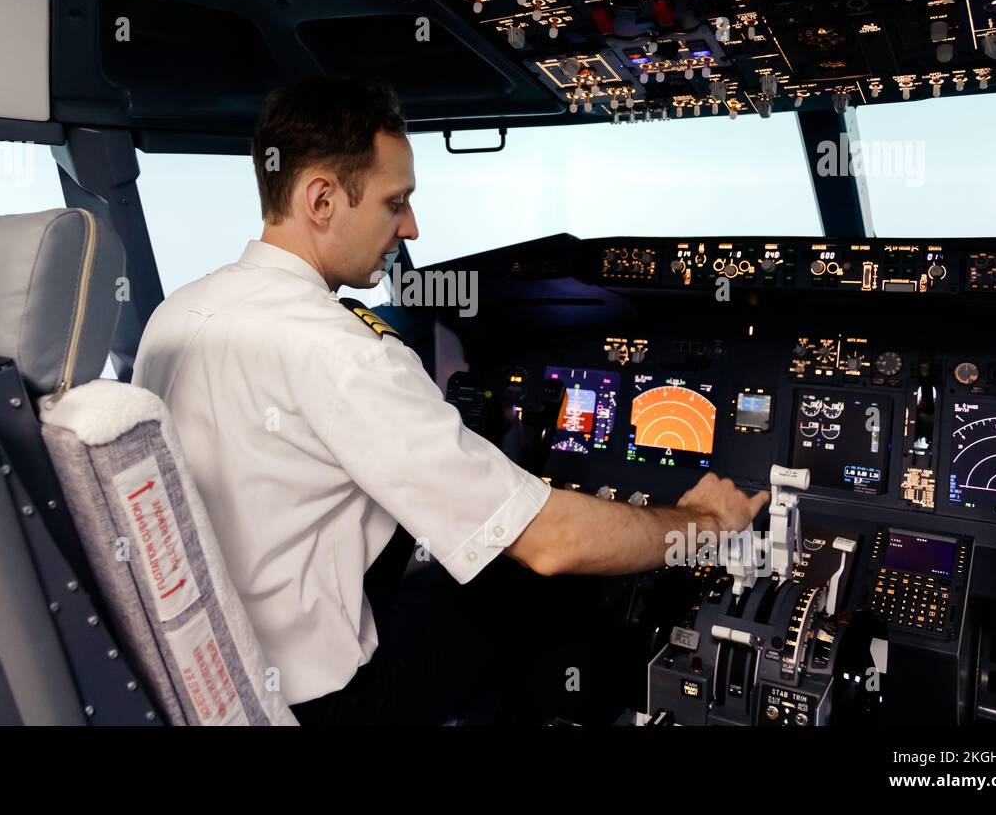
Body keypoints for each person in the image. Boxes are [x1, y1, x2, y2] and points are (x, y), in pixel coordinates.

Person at [132, 77, 768, 724]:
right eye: (394, 202)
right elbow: (554, 544)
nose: (410, 226)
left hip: (216, 681)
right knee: (550, 587)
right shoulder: (342, 352)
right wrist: (706, 524)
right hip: (324, 705)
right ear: (321, 199)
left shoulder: (175, 316)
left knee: (461, 581)